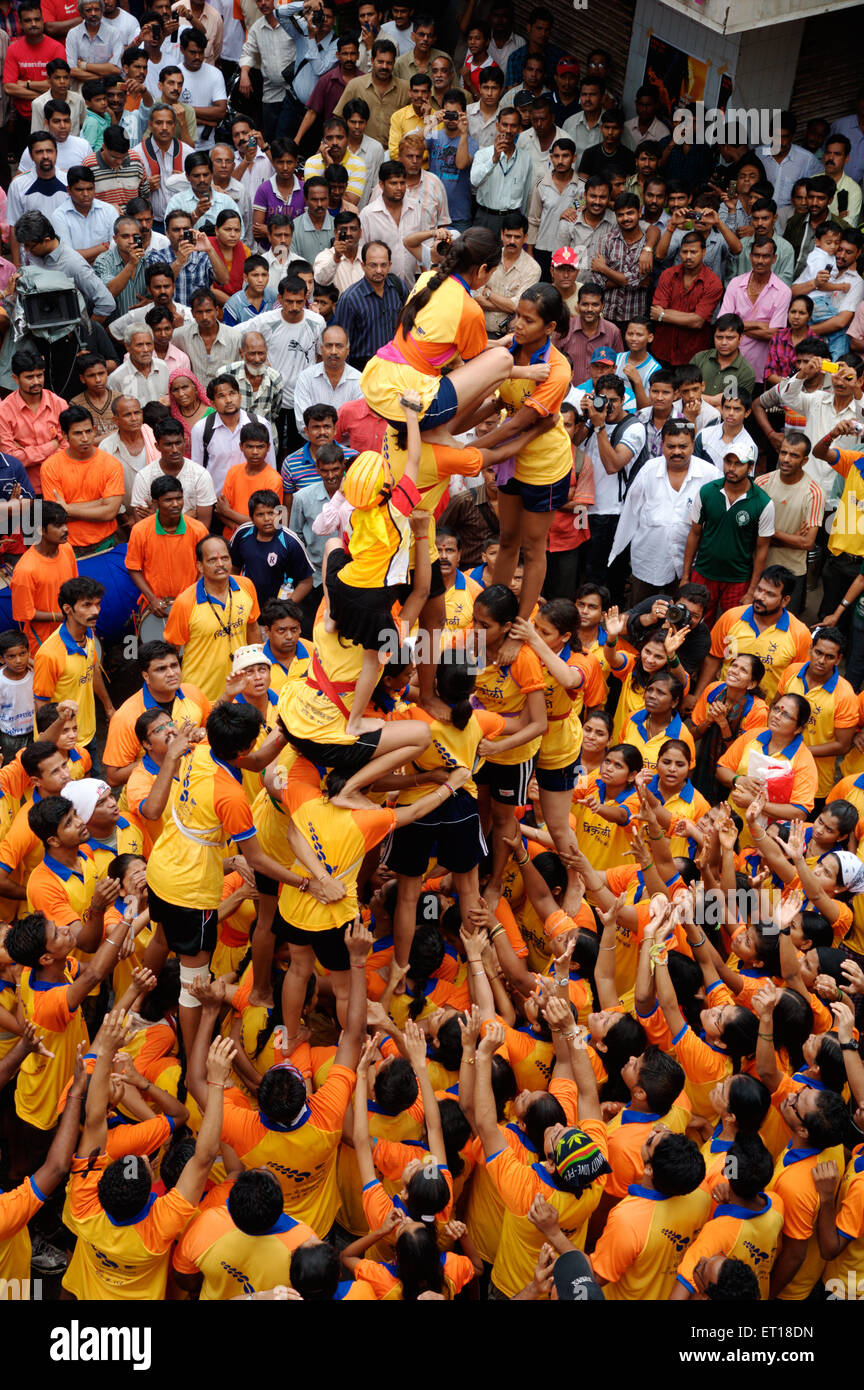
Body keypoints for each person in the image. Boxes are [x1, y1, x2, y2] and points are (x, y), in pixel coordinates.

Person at [608, 419, 719, 605]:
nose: (677, 452)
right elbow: (630, 513)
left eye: (683, 446)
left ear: (693, 445)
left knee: (681, 617)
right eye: (671, 446)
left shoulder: (711, 475)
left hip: (689, 565)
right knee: (641, 614)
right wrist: (616, 550)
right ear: (662, 446)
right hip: (648, 560)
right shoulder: (649, 471)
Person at [682, 451, 776, 626]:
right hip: (704, 572)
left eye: (739, 463)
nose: (731, 468)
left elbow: (762, 548)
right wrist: (685, 576)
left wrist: (752, 590)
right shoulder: (707, 492)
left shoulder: (763, 503)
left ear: (750, 467)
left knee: (734, 628)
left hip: (738, 578)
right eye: (728, 462)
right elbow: (694, 533)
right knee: (694, 624)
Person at [162, 533, 260, 702]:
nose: (220, 564)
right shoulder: (185, 602)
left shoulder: (246, 586)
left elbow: (252, 627)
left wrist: (256, 667)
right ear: (199, 566)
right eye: (212, 560)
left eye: (225, 558)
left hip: (241, 691)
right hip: (200, 694)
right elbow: (171, 651)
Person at [32, 575, 114, 746]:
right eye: (87, 605)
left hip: (87, 732)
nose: (95, 611)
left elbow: (93, 670)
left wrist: (109, 708)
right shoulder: (49, 654)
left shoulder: (89, 634)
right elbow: (42, 704)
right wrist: (54, 746)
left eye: (97, 604)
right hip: (63, 742)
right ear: (68, 609)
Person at [39, 405, 125, 556]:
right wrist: (100, 502)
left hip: (107, 543)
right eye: (78, 433)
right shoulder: (50, 467)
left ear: (95, 429)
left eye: (88, 431)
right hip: (68, 547)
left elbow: (110, 512)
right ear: (65, 435)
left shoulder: (111, 464)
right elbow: (57, 516)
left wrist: (68, 508)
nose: (85, 438)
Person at [758, 432, 825, 615]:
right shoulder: (762, 483)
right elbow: (749, 533)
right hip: (760, 566)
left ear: (804, 461)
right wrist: (791, 538)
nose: (786, 459)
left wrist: (768, 534)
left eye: (794, 455)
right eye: (783, 453)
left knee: (785, 628)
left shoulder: (814, 493)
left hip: (792, 572)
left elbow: (807, 543)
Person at [125, 473, 209, 617]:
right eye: (168, 500)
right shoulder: (140, 530)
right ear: (155, 503)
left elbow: (206, 565)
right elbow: (133, 568)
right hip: (157, 606)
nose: (175, 504)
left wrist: (194, 594)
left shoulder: (198, 529)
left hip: (192, 603)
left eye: (179, 498)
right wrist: (151, 598)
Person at [719, 238, 793, 385]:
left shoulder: (783, 291)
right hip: (730, 363)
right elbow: (722, 324)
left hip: (760, 370)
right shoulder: (735, 284)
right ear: (750, 256)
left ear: (774, 259)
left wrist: (737, 327)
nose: (760, 260)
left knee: (751, 406)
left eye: (766, 256)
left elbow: (774, 334)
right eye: (757, 255)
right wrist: (759, 325)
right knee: (729, 404)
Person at [650, 232, 724, 368]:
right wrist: (687, 318)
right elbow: (655, 311)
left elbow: (697, 322)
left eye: (693, 252)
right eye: (685, 252)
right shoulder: (668, 274)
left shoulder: (713, 282)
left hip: (693, 356)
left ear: (704, 252)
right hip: (662, 350)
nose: (688, 256)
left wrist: (663, 315)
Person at [330, 240, 405, 373]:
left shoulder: (397, 287)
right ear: (363, 266)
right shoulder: (350, 299)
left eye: (383, 265)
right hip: (362, 371)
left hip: (395, 369)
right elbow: (341, 342)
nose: (379, 270)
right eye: (373, 265)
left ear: (390, 265)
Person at [469, 106, 534, 237]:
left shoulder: (525, 158)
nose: (509, 130)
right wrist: (493, 160)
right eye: (505, 125)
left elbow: (526, 193)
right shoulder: (483, 154)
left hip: (513, 219)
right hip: (486, 217)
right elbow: (474, 182)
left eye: (513, 126)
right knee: (483, 256)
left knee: (510, 257)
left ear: (519, 128)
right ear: (498, 126)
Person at [293, 324, 362, 439]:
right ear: (321, 349)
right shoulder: (306, 377)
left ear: (348, 350)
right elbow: (302, 422)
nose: (334, 351)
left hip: (348, 450)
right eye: (329, 346)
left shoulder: (359, 380)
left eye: (339, 346)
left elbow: (359, 423)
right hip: (314, 446)